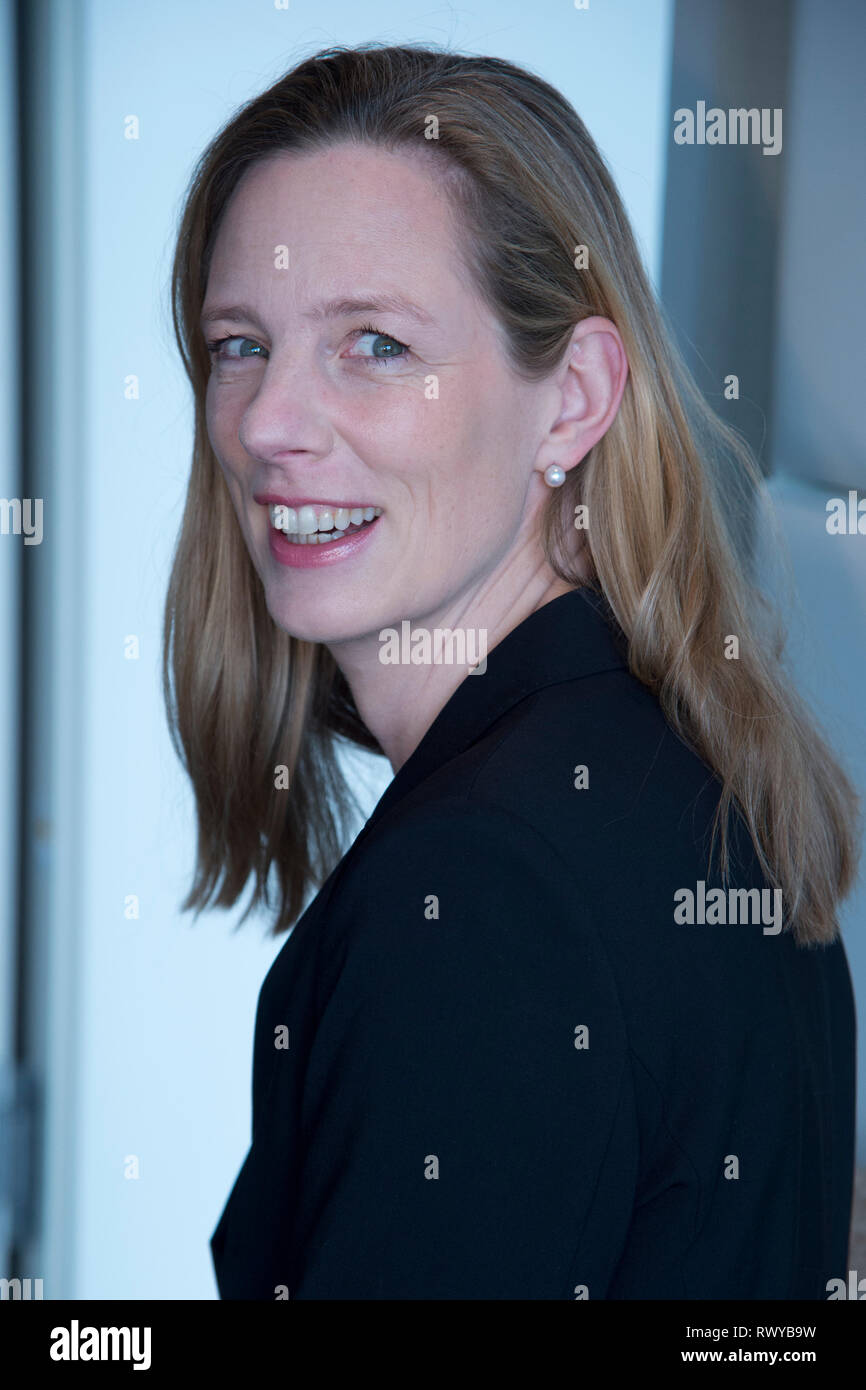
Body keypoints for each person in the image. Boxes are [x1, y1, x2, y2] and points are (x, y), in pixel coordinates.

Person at [162, 43, 859, 1299]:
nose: (266, 422)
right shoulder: (679, 779)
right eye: (236, 344)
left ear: (573, 398)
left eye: (373, 342)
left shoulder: (485, 888)